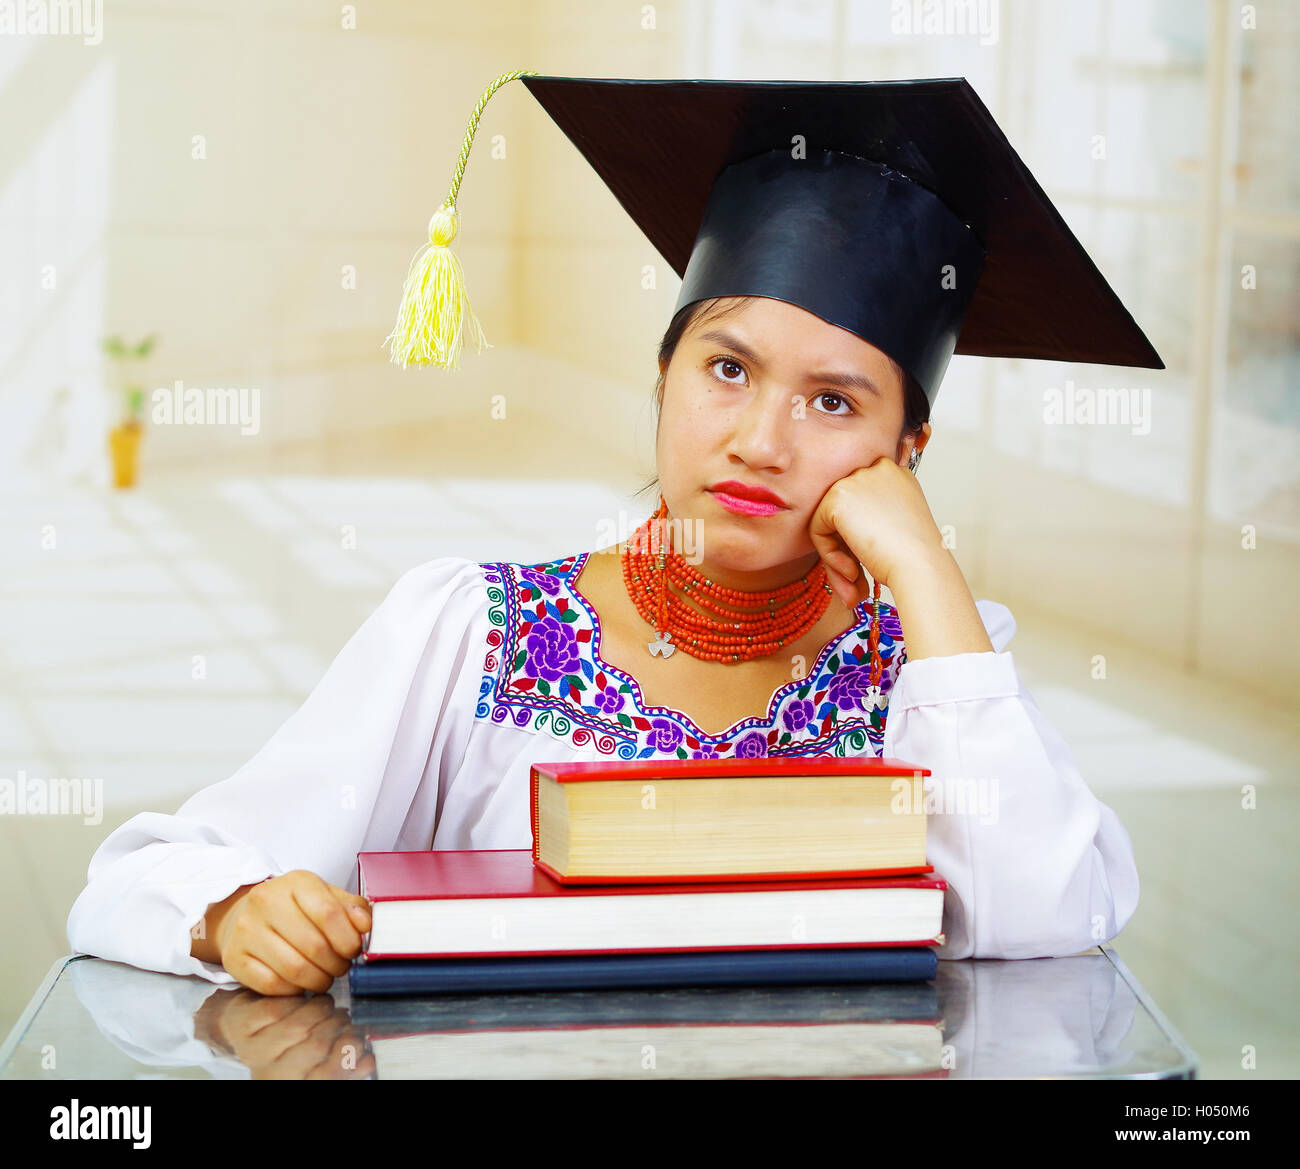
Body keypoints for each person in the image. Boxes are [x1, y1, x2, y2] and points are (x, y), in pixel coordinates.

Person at [68, 73, 1160, 996]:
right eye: (726, 369)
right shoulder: (474, 632)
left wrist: (924, 570)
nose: (759, 441)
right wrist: (230, 912)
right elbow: (141, 877)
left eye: (834, 402)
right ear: (661, 376)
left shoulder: (934, 668)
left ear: (905, 450)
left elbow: (1040, 913)